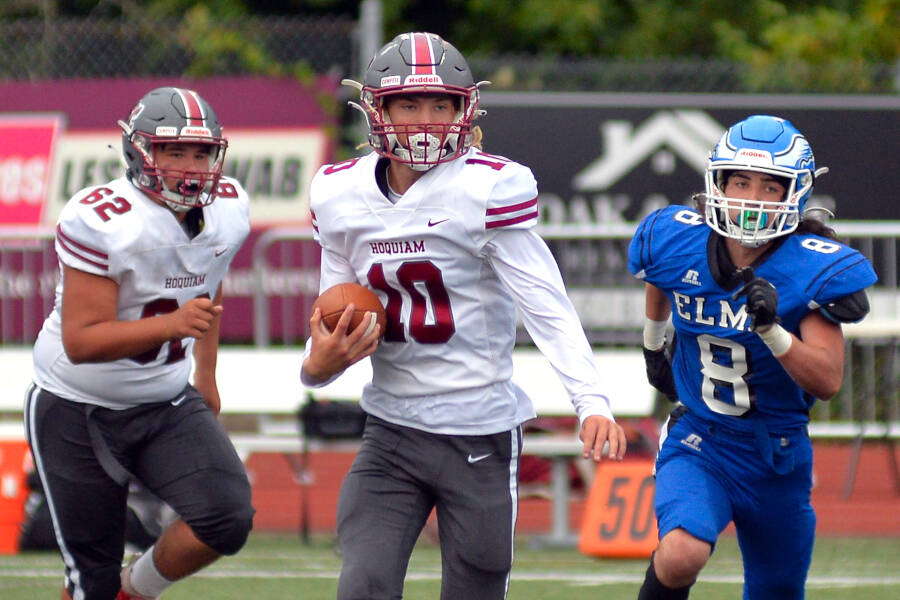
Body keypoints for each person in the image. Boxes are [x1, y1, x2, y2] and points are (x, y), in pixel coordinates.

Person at [301, 32, 627, 599]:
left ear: (464, 110)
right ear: (377, 110)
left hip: (478, 432)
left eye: (440, 104)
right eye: (409, 103)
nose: (425, 119)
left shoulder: (489, 186)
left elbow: (544, 302)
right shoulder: (338, 192)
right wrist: (316, 368)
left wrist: (590, 401)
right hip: (391, 432)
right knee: (363, 586)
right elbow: (335, 320)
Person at [628, 114, 878, 599]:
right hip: (701, 437)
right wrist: (653, 341)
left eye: (770, 186)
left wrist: (771, 331)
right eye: (740, 181)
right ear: (717, 182)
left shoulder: (812, 265)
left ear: (794, 194)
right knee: (682, 552)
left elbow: (827, 380)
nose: (751, 198)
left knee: (776, 590)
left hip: (777, 454)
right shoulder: (676, 238)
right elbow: (658, 273)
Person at [24, 86, 255, 600]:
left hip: (165, 400)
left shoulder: (229, 206)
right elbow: (82, 341)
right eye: (174, 152)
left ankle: (137, 589)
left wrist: (206, 375)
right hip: (76, 407)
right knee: (91, 577)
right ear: (139, 151)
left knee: (227, 516)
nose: (189, 166)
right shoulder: (100, 218)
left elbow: (207, 286)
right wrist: (172, 326)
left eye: (201, 152)